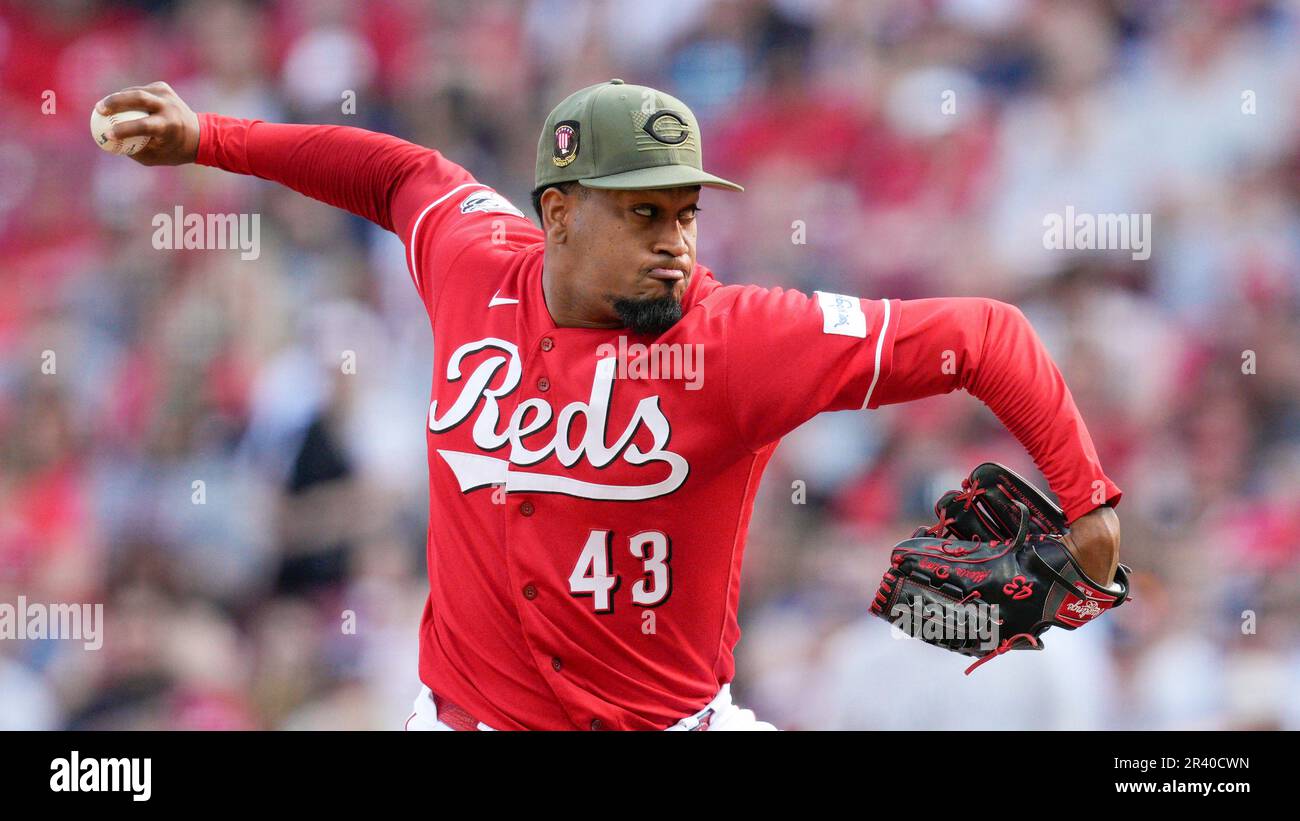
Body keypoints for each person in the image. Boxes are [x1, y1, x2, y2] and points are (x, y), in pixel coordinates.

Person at [95, 79, 1123, 731]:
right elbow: (395, 172)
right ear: (556, 213)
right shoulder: (472, 263)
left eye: (683, 210)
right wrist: (209, 138)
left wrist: (1087, 501)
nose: (676, 238)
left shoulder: (742, 339)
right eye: (642, 213)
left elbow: (987, 335)